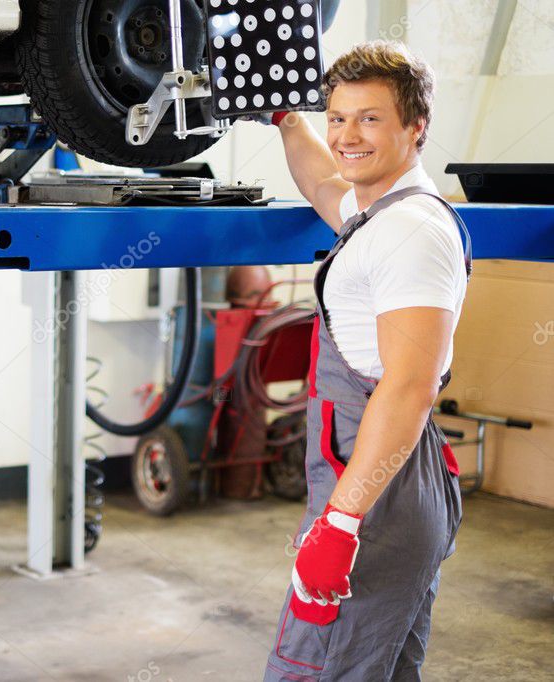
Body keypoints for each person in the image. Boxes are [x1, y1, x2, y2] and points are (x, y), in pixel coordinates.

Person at [250, 41, 471, 680]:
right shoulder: (379, 211)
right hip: (383, 481)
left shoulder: (410, 232)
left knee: (312, 669)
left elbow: (408, 387)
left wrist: (342, 523)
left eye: (369, 119)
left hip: (379, 493)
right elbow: (323, 181)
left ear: (416, 128)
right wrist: (287, 120)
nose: (347, 135)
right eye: (337, 117)